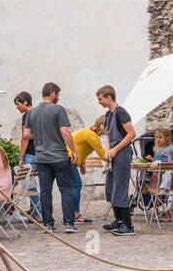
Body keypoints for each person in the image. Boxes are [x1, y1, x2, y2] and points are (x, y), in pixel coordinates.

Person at [25, 82, 79, 233]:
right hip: (59, 156)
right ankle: (68, 223)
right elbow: (65, 131)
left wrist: (42, 135)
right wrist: (73, 150)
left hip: (41, 158)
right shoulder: (58, 109)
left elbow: (26, 135)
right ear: (53, 93)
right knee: (66, 189)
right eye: (58, 94)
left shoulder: (32, 112)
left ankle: (48, 224)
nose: (58, 97)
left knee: (45, 191)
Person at [95, 86, 137, 235]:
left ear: (109, 97)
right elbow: (109, 136)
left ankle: (128, 225)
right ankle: (118, 221)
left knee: (120, 188)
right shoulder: (108, 114)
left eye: (100, 99)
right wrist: (108, 150)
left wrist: (115, 149)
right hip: (113, 154)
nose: (99, 102)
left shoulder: (121, 112)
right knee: (111, 188)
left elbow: (131, 134)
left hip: (122, 153)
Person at [69, 117, 107, 225]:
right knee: (76, 185)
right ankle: (75, 215)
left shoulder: (88, 131)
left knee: (72, 186)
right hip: (68, 160)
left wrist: (82, 163)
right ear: (103, 126)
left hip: (67, 159)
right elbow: (104, 156)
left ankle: (71, 215)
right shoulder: (92, 136)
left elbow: (80, 147)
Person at [14, 92, 40, 219]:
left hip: (30, 153)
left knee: (30, 185)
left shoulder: (27, 116)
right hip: (42, 153)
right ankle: (36, 211)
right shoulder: (39, 113)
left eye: (18, 104)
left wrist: (21, 157)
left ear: (25, 102)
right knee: (39, 184)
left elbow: (25, 138)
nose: (17, 107)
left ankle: (38, 214)